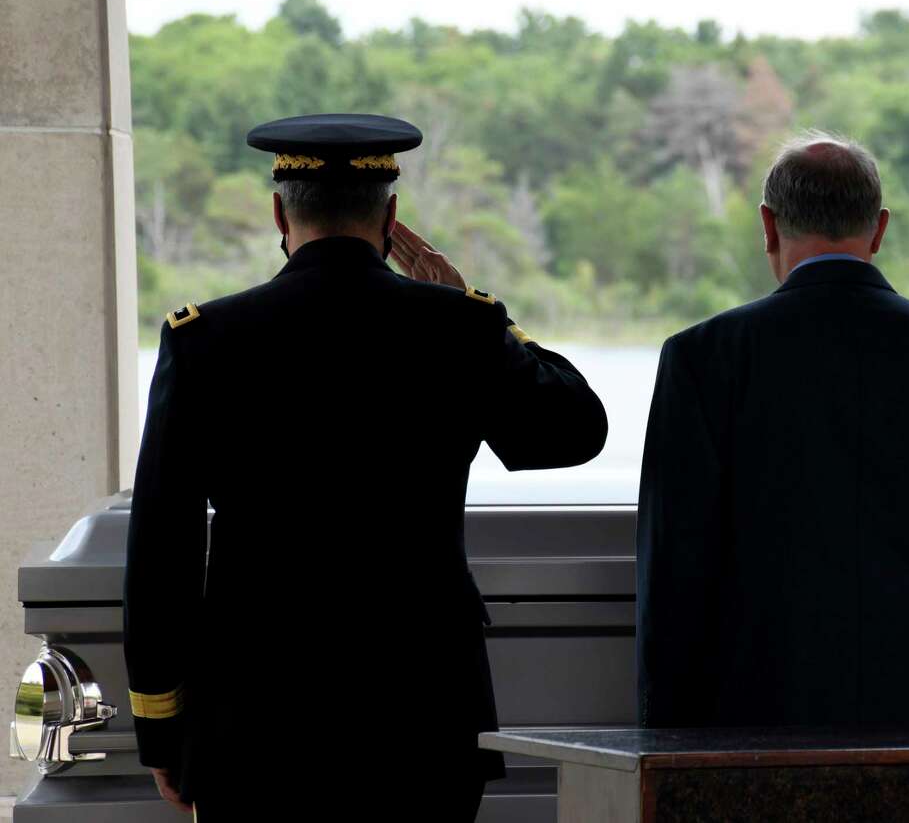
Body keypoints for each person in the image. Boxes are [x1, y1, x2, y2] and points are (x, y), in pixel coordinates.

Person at [122, 113, 608, 820]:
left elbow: (160, 550)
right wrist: (486, 316)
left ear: (279, 213)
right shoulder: (458, 329)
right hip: (421, 717)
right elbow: (572, 430)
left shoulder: (206, 339)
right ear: (392, 217)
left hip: (256, 718)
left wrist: (161, 728)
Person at [635, 130, 909, 731]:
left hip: (761, 704)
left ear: (768, 225)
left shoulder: (703, 357)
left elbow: (674, 565)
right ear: (879, 228)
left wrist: (660, 730)